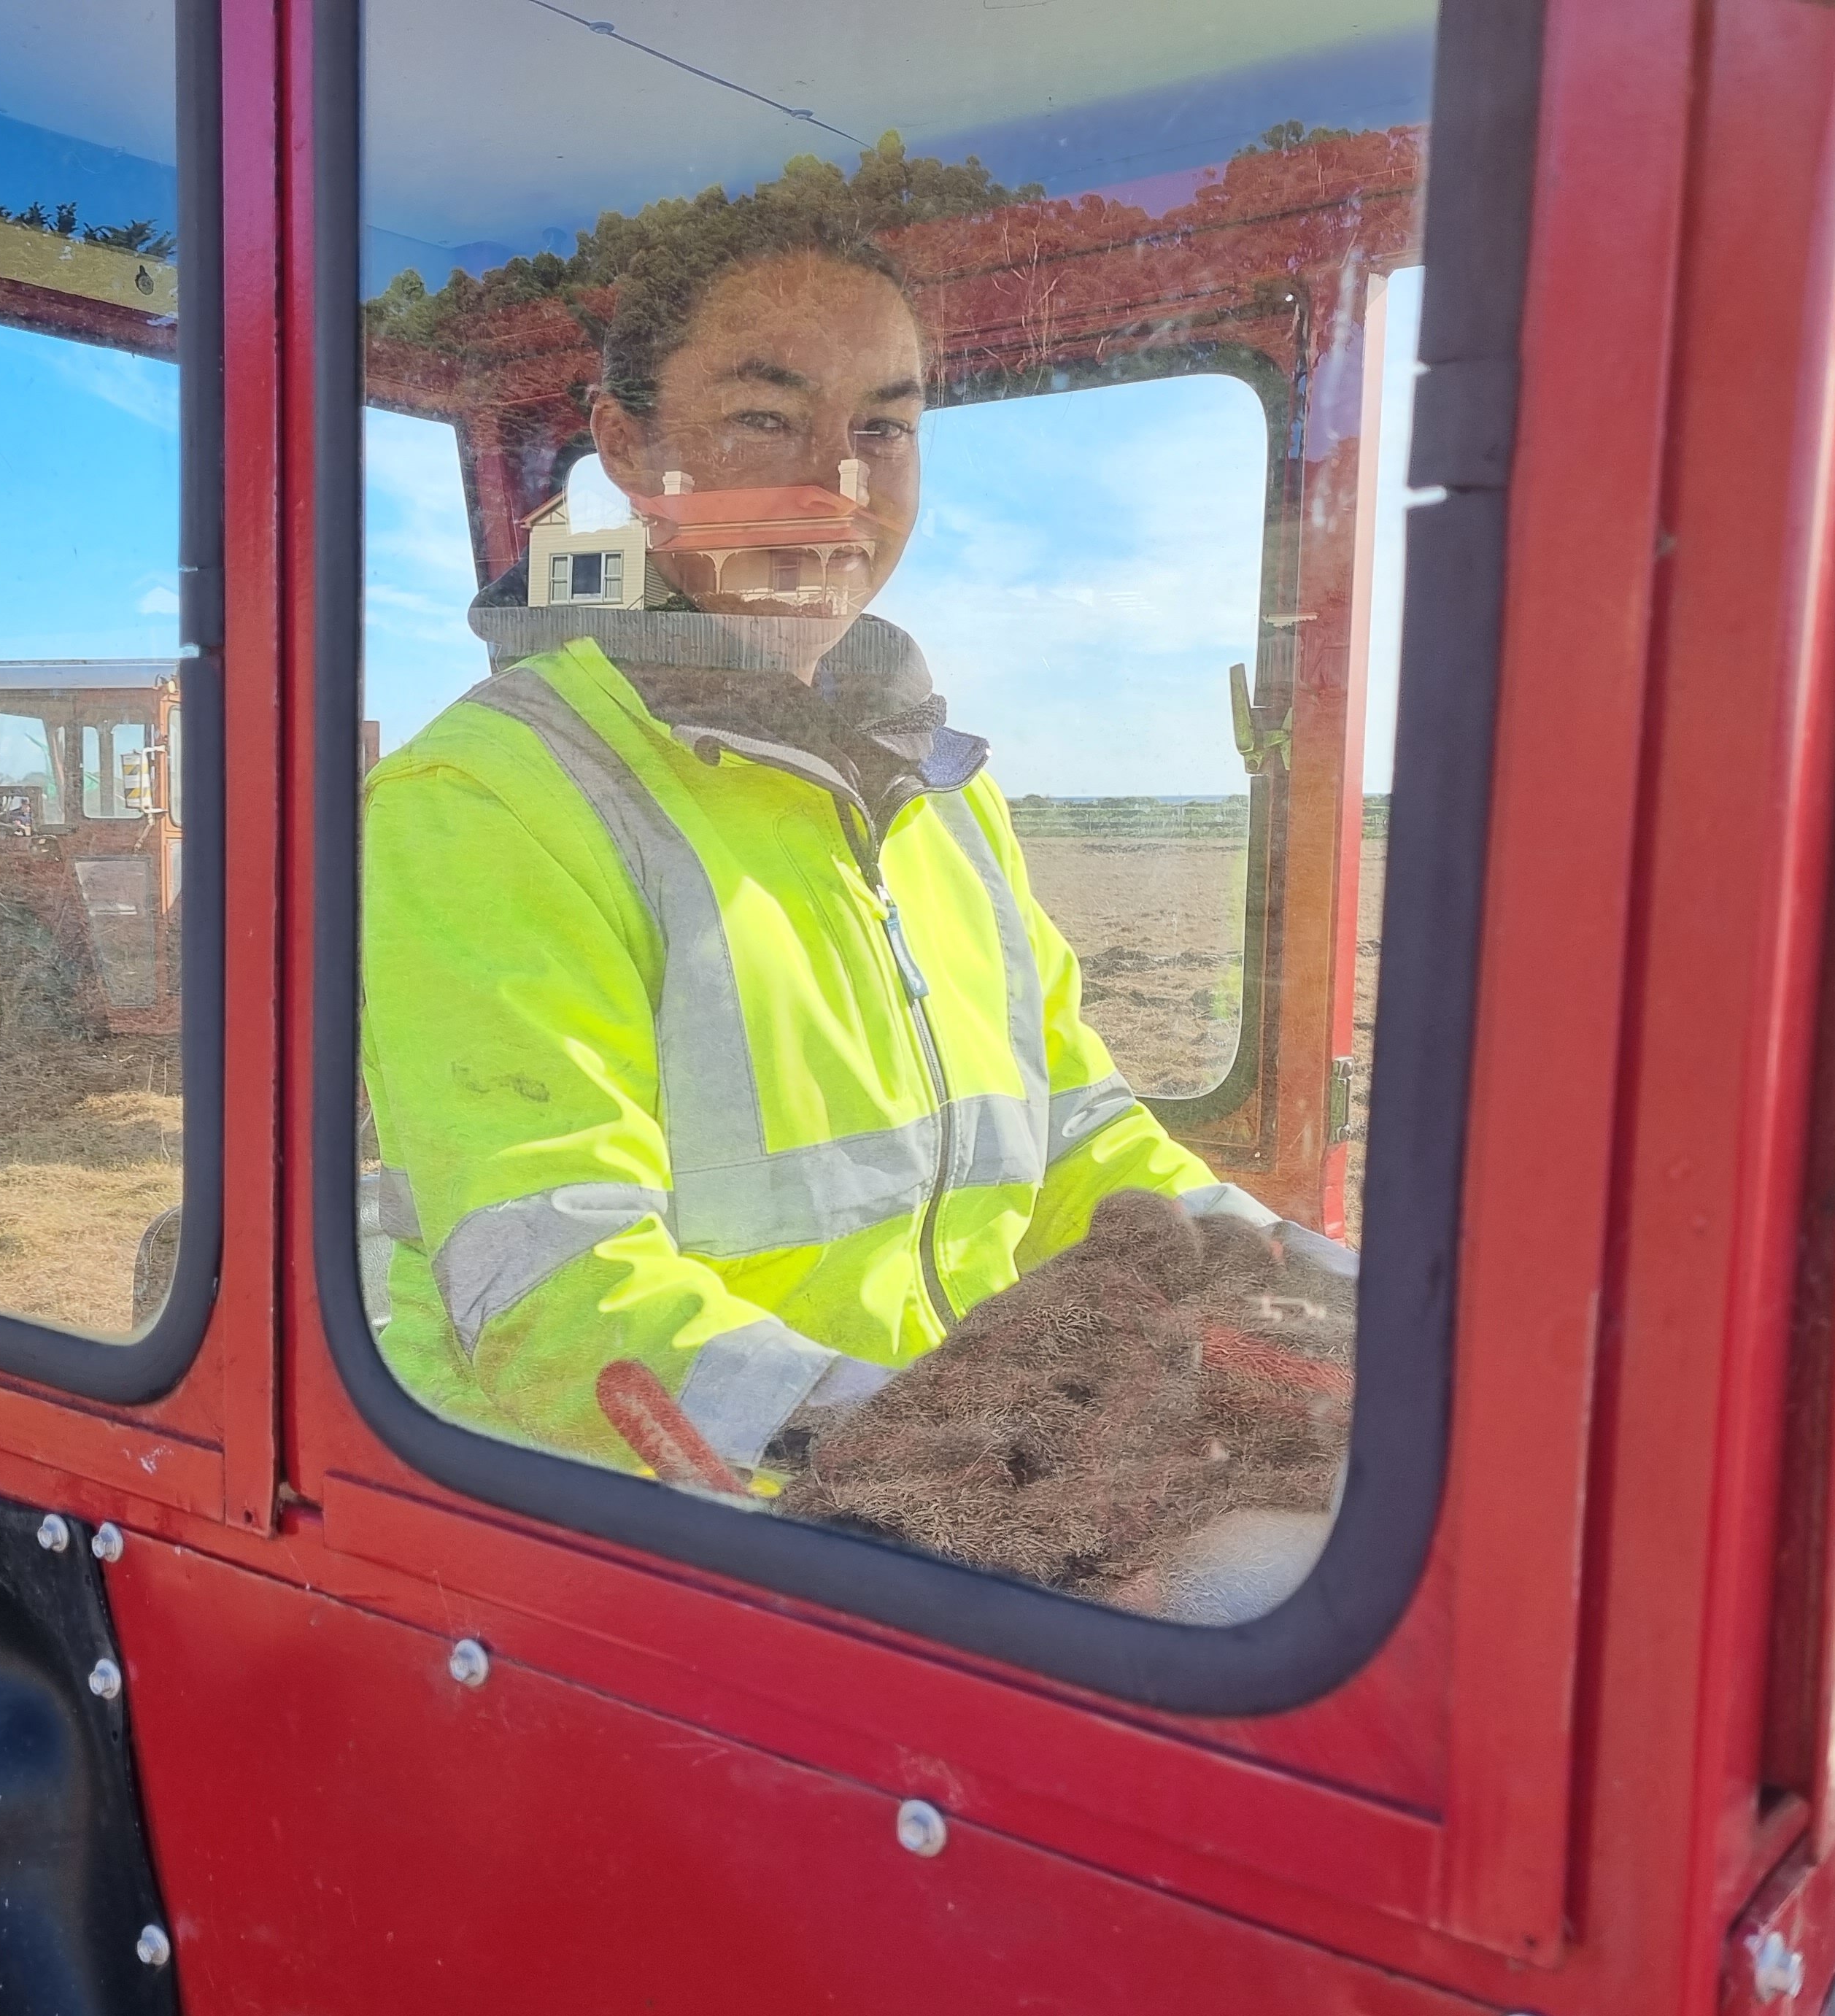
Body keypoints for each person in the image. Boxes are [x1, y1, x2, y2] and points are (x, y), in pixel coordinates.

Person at [360, 192, 1343, 1487]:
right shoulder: (487, 799)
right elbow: (558, 1291)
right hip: (660, 1527)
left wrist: (1315, 1290)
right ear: (623, 448)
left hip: (917, 1472)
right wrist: (914, 1450)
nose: (837, 488)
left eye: (882, 426)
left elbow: (1078, 1139)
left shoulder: (938, 788)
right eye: (766, 418)